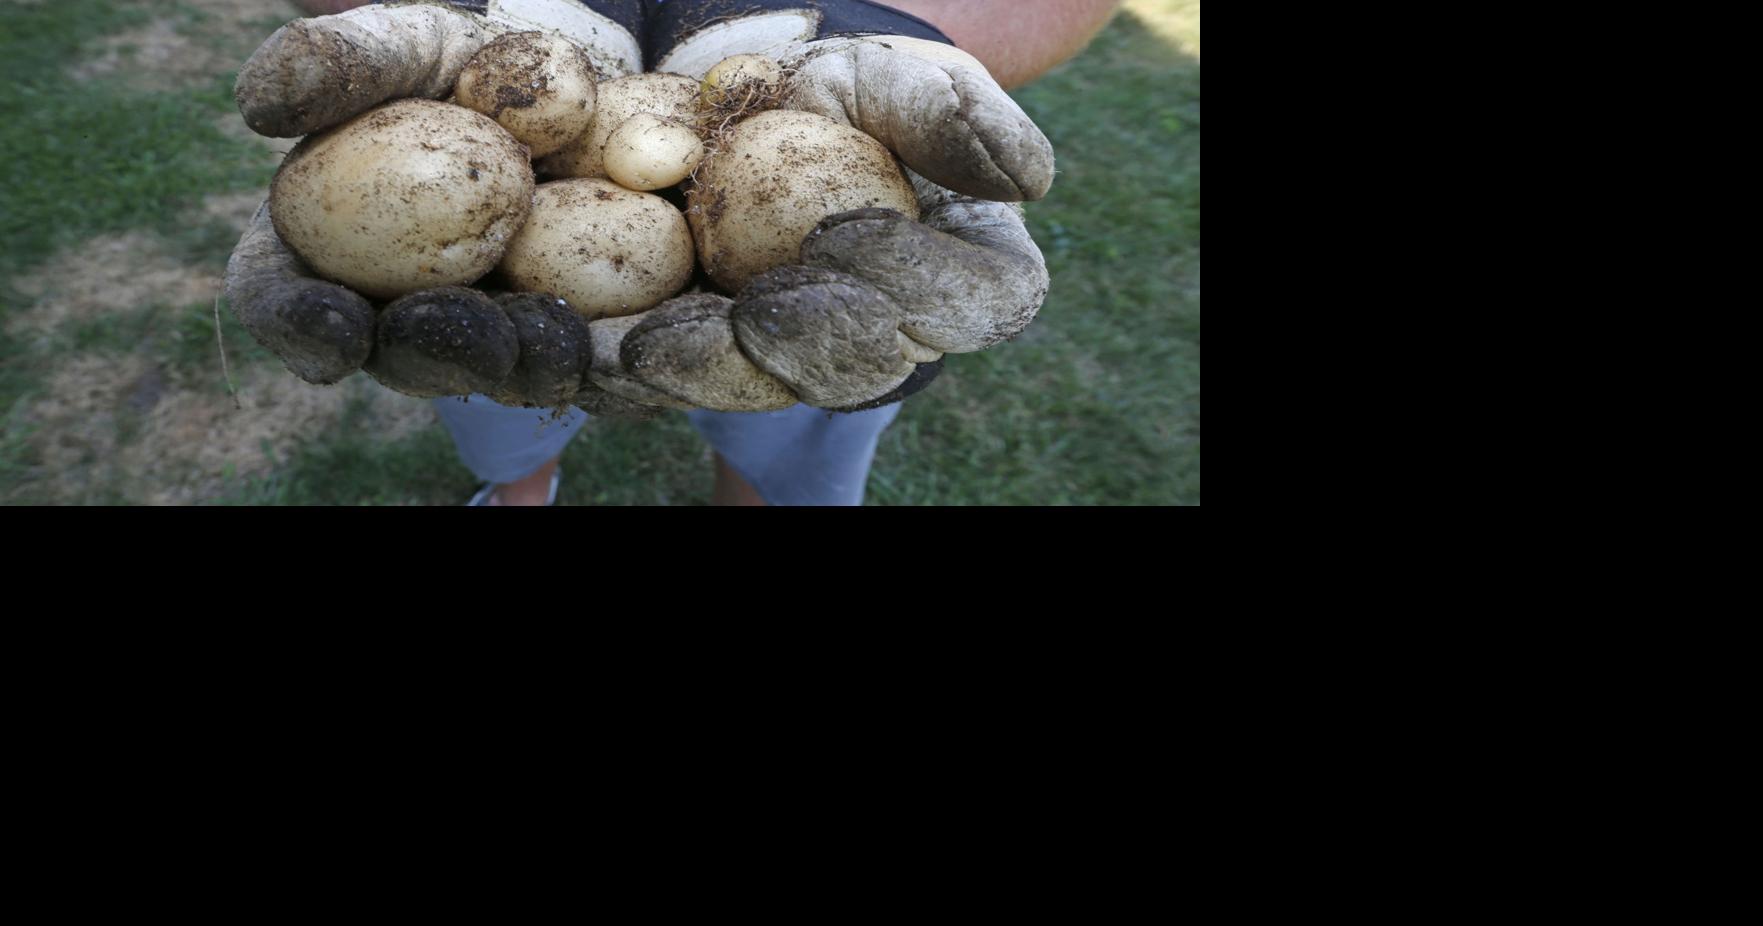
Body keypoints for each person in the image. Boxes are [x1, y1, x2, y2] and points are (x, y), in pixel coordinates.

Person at [273, 0, 1118, 505]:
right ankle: (520, 484)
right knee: (471, 345)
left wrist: (880, 28)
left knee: (812, 341)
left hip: (789, 94)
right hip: (524, 90)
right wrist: (463, 17)